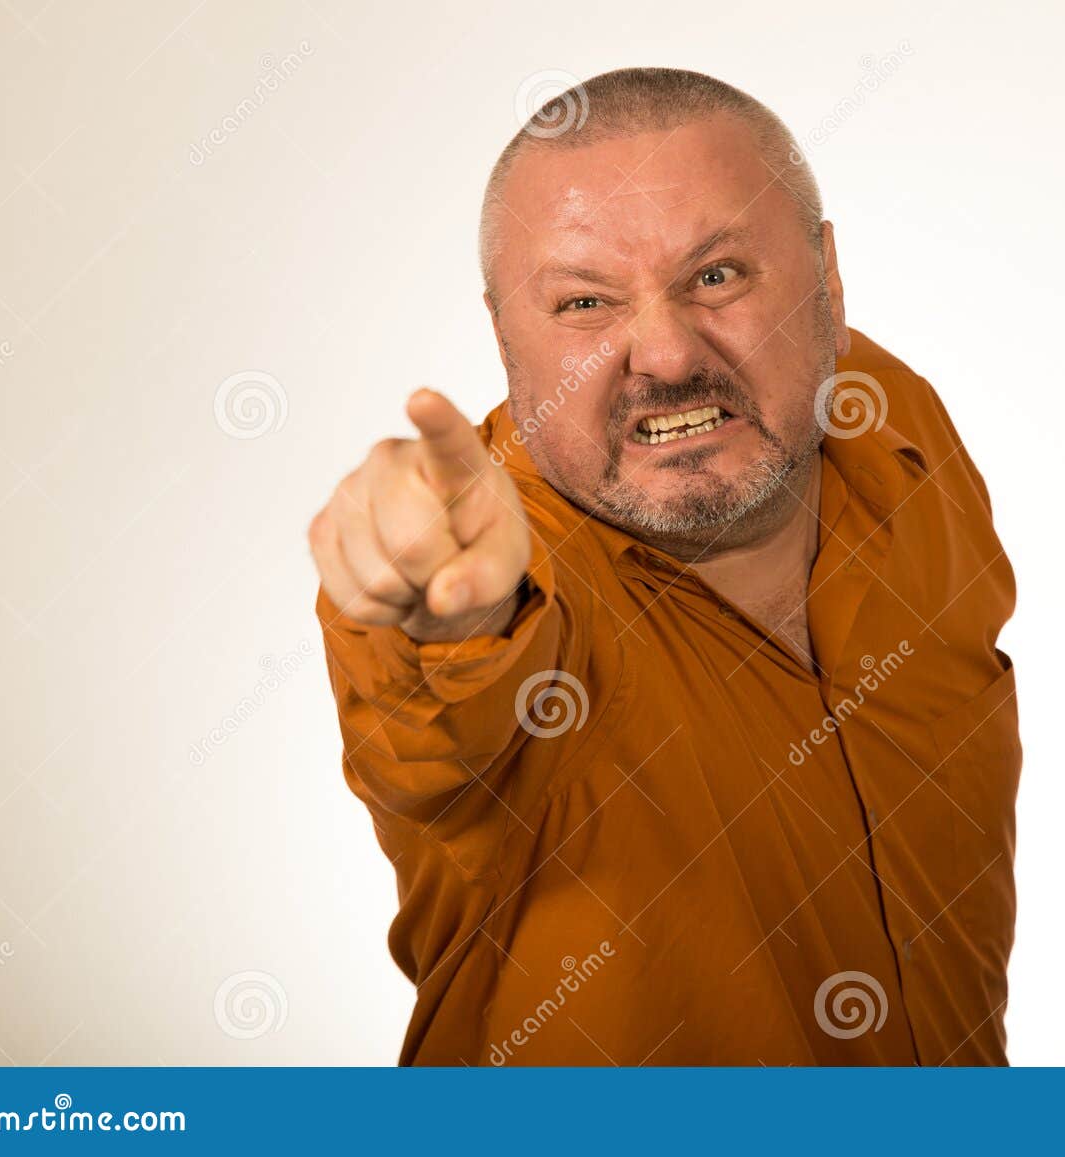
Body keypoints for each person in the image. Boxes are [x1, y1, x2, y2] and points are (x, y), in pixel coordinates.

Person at [309, 67, 1021, 1065]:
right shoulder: (494, 576)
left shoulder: (897, 430)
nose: (667, 354)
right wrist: (442, 616)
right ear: (503, 334)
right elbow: (431, 717)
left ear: (826, 276)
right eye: (585, 302)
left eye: (719, 276)